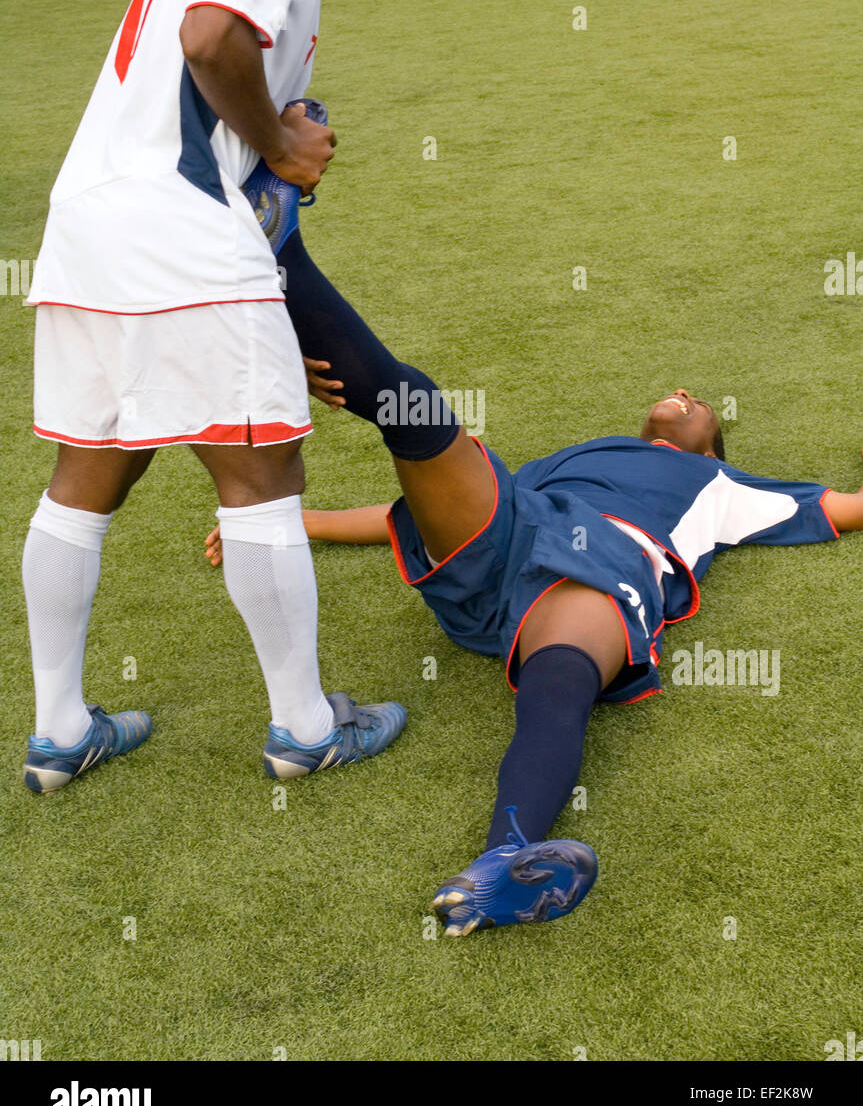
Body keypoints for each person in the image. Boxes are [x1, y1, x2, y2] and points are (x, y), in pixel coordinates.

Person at [206, 229, 863, 935]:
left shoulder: (724, 484)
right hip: (509, 535)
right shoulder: (572, 458)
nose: (680, 394)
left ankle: (501, 863)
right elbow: (437, 504)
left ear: (710, 442)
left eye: (696, 401)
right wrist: (305, 520)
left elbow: (843, 508)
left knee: (561, 685)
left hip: (599, 571)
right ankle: (277, 250)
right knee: (413, 410)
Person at [20, 0, 441, 793]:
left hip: (91, 225)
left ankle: (59, 727)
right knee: (260, 472)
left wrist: (276, 139)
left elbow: (207, 70)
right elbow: (209, 40)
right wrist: (284, 148)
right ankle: (303, 726)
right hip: (179, 233)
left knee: (88, 473)